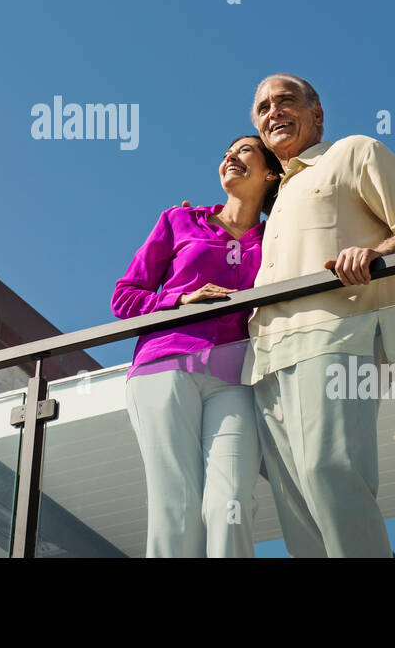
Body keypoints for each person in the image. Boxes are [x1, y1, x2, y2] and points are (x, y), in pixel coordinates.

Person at [246, 73, 395, 557]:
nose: (273, 111)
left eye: (285, 101)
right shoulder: (275, 202)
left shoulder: (353, 151)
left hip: (339, 335)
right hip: (263, 359)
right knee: (296, 503)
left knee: (329, 470)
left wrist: (375, 252)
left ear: (316, 114)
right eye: (263, 108)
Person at [112, 135, 282, 557]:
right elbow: (125, 298)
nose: (230, 156)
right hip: (165, 365)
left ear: (270, 173)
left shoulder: (277, 238)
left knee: (232, 505)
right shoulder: (178, 221)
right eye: (226, 151)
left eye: (245, 151)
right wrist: (180, 300)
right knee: (177, 504)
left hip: (238, 378)